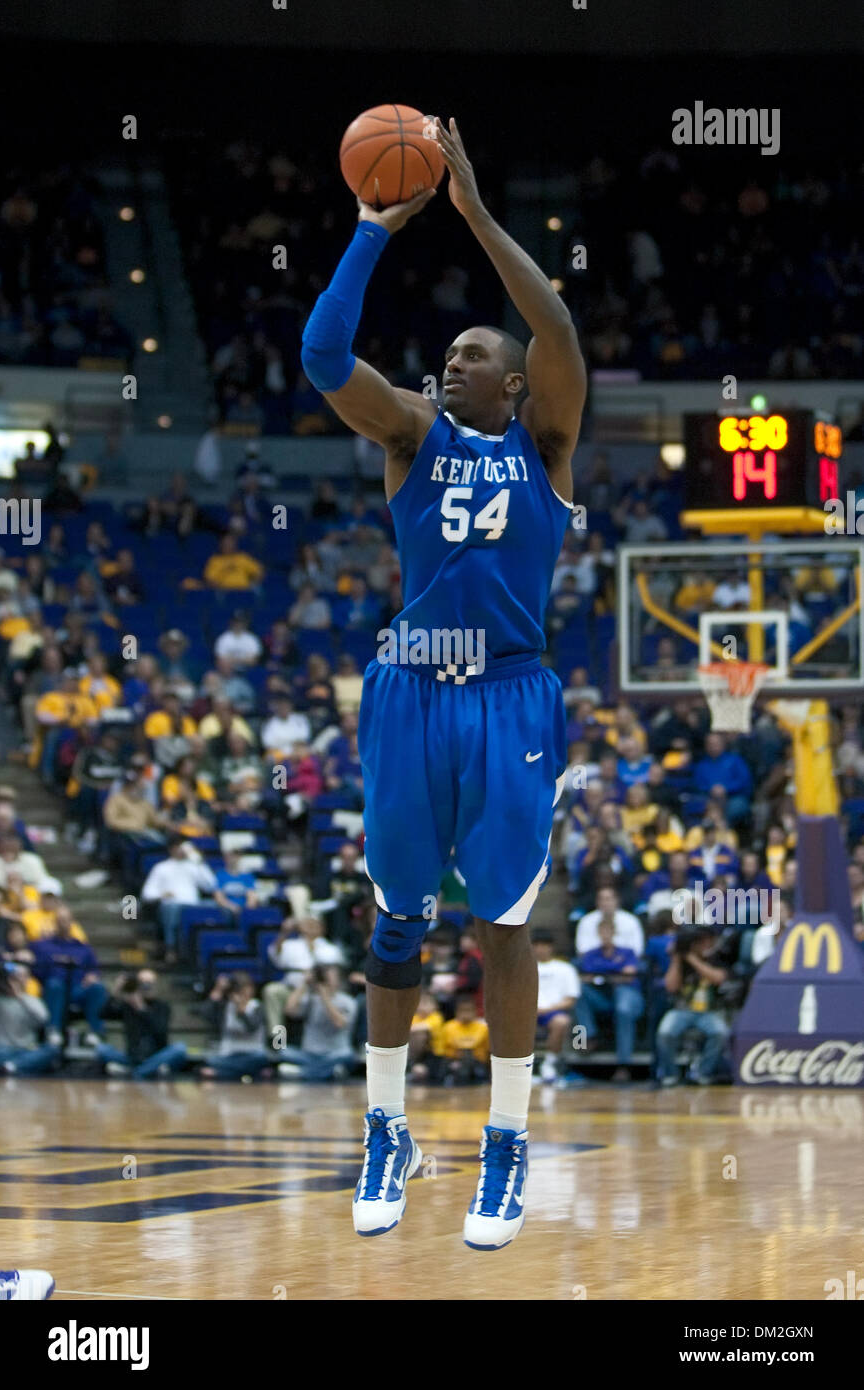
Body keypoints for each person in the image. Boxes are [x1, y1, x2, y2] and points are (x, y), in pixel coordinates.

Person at [301, 115, 585, 1248]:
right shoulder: (410, 438)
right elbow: (326, 360)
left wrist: (468, 208)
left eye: (472, 353)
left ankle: (505, 1149)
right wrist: (370, 230)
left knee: (501, 930)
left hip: (511, 697)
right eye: (451, 353)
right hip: (412, 690)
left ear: (511, 387)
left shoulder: (546, 448)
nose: (450, 360)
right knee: (394, 924)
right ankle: (385, 1128)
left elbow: (553, 321)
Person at [655, 926, 730, 1086]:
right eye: (698, 942)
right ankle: (670, 1074)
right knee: (665, 1032)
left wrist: (692, 959)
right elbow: (671, 987)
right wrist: (677, 959)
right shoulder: (680, 961)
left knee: (720, 1032)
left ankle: (702, 1073)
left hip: (710, 1011)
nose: (703, 945)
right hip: (682, 1010)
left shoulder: (719, 956)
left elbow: (718, 978)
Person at [575, 918, 644, 1082]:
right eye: (602, 931)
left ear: (614, 933)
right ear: (598, 933)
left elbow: (629, 976)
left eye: (609, 931)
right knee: (579, 991)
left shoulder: (627, 952)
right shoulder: (591, 954)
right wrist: (615, 972)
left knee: (623, 1009)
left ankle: (624, 1065)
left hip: (627, 995)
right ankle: (589, 1036)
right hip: (603, 997)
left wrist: (604, 975)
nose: (605, 935)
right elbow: (587, 976)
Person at [261, 916, 344, 1041]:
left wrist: (312, 948)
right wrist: (284, 933)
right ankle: (277, 1039)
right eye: (307, 924)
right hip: (293, 989)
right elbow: (274, 955)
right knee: (272, 991)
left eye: (314, 924)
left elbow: (331, 973)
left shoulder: (330, 948)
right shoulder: (290, 944)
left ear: (322, 928)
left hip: (321, 991)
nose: (310, 927)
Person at [30, 916, 108, 1048]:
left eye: (66, 920)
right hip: (52, 989)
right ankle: (53, 1030)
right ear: (55, 924)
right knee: (55, 985)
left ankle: (96, 1032)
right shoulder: (41, 945)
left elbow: (95, 970)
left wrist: (92, 976)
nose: (63, 924)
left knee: (98, 988)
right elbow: (32, 966)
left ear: (72, 924)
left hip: (77, 988)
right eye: (60, 921)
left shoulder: (83, 948)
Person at [97, 971, 187, 1078]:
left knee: (179, 1049)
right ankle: (146, 1071)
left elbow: (160, 1032)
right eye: (143, 983)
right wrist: (116, 992)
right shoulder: (128, 1006)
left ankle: (135, 1073)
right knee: (101, 1049)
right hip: (132, 1057)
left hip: (156, 1057)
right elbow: (102, 1014)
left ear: (156, 985)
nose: (146, 987)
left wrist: (141, 1008)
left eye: (150, 983)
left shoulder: (163, 1006)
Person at [276, 963, 358, 1081]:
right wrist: (304, 984)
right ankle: (330, 1071)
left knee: (348, 1055)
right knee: (282, 1052)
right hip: (309, 1054)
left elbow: (339, 1023)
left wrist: (325, 997)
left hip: (335, 1053)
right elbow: (289, 1010)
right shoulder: (311, 999)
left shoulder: (347, 1001)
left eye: (330, 977)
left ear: (338, 981)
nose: (326, 980)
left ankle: (302, 1072)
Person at [200, 973, 272, 1080]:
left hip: (252, 1054)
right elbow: (205, 1014)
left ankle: (221, 1073)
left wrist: (241, 1012)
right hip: (229, 1054)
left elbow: (252, 1028)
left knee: (261, 1058)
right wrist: (218, 990)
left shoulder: (257, 1006)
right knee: (210, 1060)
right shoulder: (226, 1006)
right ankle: (252, 1073)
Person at [532, 931, 580, 1083]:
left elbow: (571, 999)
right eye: (537, 946)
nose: (540, 949)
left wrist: (547, 1009)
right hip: (527, 1011)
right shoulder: (524, 967)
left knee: (561, 1022)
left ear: (551, 947)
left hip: (554, 1012)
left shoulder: (565, 969)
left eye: (544, 946)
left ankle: (549, 1064)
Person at [0, 962, 59, 1075]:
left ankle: (11, 1066)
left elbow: (43, 1019)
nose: (17, 980)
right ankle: (15, 1066)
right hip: (1, 1050)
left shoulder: (32, 1000)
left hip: (25, 1049)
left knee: (52, 1050)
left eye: (21, 976)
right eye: (13, 977)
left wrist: (19, 996)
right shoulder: (0, 999)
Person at [437, 992, 491, 1085]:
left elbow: (487, 1049)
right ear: (456, 1012)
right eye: (462, 1010)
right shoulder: (448, 1027)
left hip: (477, 1062)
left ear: (475, 1012)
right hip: (453, 1061)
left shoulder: (483, 1028)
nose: (466, 1014)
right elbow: (441, 1050)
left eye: (469, 1010)